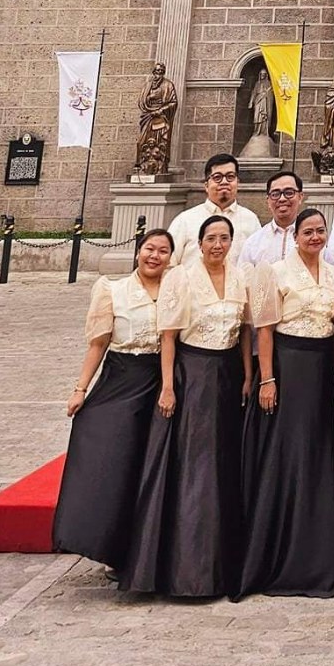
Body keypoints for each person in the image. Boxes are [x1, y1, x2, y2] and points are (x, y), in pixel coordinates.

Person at [121, 214, 254, 598]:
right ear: (199, 243)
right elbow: (168, 335)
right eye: (211, 238)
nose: (217, 245)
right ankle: (188, 568)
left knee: (225, 464)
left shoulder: (239, 275)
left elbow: (244, 331)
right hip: (192, 374)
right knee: (195, 467)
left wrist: (248, 374)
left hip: (228, 374)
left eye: (224, 238)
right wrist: (167, 386)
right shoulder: (181, 277)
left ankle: (223, 562)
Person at [238, 207, 334, 599]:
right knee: (286, 454)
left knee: (318, 454)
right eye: (308, 231)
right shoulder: (275, 272)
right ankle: (279, 549)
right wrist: (266, 378)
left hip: (320, 369)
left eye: (321, 231)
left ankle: (316, 550)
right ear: (296, 235)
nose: (315, 237)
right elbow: (264, 330)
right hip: (287, 367)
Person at [53, 227, 174, 567]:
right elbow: (98, 344)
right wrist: (80, 389)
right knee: (114, 465)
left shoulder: (175, 291)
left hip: (161, 383)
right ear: (138, 251)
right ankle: (110, 547)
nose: (155, 256)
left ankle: (149, 551)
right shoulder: (112, 290)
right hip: (121, 381)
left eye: (163, 251)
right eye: (150, 249)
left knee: (152, 468)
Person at [166, 153, 261, 266]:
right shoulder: (185, 220)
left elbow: (259, 263)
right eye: (217, 177)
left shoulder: (251, 220)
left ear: (237, 183)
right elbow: (168, 263)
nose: (224, 182)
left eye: (230, 177)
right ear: (206, 185)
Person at [240, 169, 305, 269]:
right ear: (268, 201)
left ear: (300, 197)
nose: (282, 199)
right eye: (275, 194)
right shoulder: (253, 243)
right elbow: (243, 280)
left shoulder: (312, 239)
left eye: (289, 192)